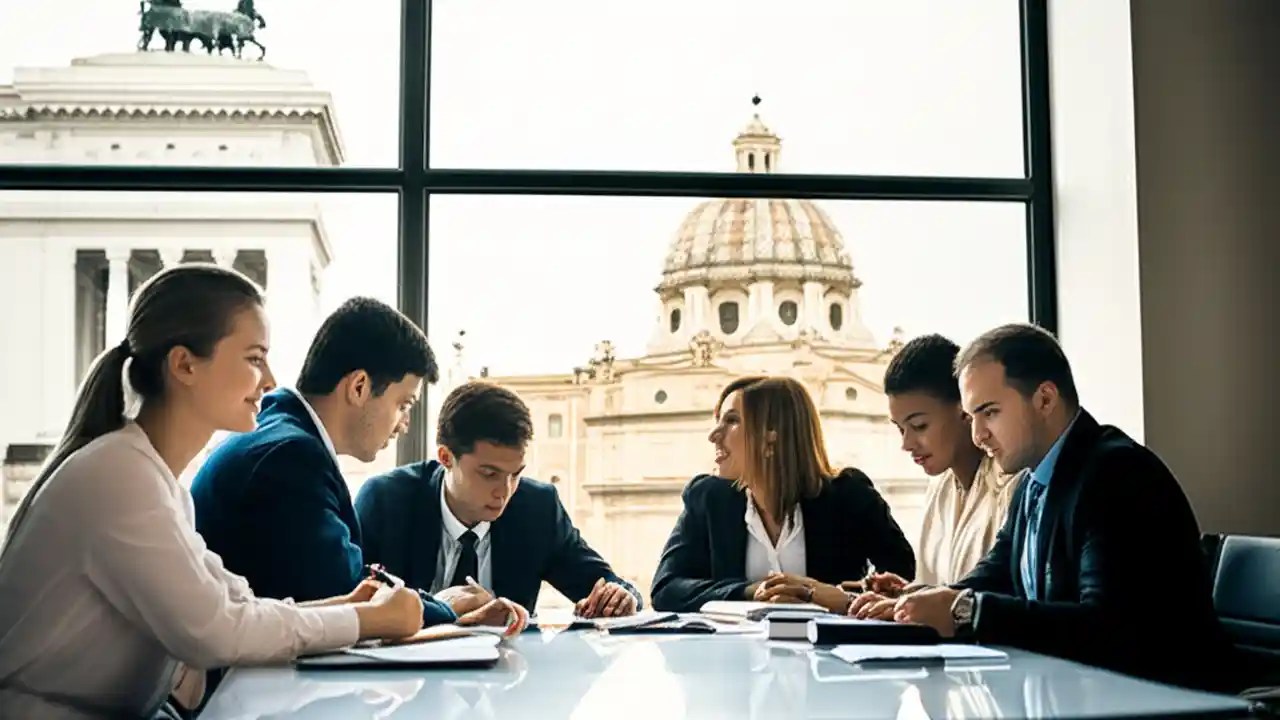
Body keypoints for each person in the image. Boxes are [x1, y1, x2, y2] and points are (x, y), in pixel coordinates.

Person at [0, 265, 423, 720]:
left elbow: (234, 602)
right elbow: (217, 630)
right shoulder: (118, 476)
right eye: (254, 358)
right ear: (184, 365)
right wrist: (367, 620)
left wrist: (348, 606)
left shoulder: (158, 482)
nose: (269, 380)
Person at [892, 323, 1234, 691]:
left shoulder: (1115, 474)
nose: (977, 435)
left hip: (1168, 700)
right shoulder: (1033, 483)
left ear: (1045, 399)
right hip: (1085, 694)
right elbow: (995, 576)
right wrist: (915, 604)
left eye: (989, 413)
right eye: (972, 417)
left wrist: (965, 611)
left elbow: (1106, 627)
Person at [191, 298, 521, 630]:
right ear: (359, 387)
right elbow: (347, 596)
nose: (404, 423)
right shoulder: (289, 459)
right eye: (403, 404)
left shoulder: (278, 437)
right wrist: (447, 609)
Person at [356, 381, 642, 617]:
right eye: (489, 474)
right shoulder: (386, 502)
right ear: (446, 457)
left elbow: (605, 584)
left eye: (515, 474)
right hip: (399, 678)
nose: (504, 492)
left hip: (508, 678)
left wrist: (620, 597)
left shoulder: (536, 508)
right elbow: (347, 602)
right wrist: (441, 608)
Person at [650, 376, 916, 614]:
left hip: (830, 660)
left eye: (731, 421)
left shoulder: (849, 495)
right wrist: (750, 591)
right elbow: (666, 589)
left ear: (772, 436)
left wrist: (831, 595)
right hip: (735, 661)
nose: (713, 435)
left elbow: (900, 582)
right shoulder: (707, 498)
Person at [848, 334, 1021, 620]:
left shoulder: (1014, 485)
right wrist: (910, 594)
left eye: (919, 425)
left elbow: (1004, 602)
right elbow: (950, 592)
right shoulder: (940, 490)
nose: (907, 443)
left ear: (966, 409)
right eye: (900, 429)